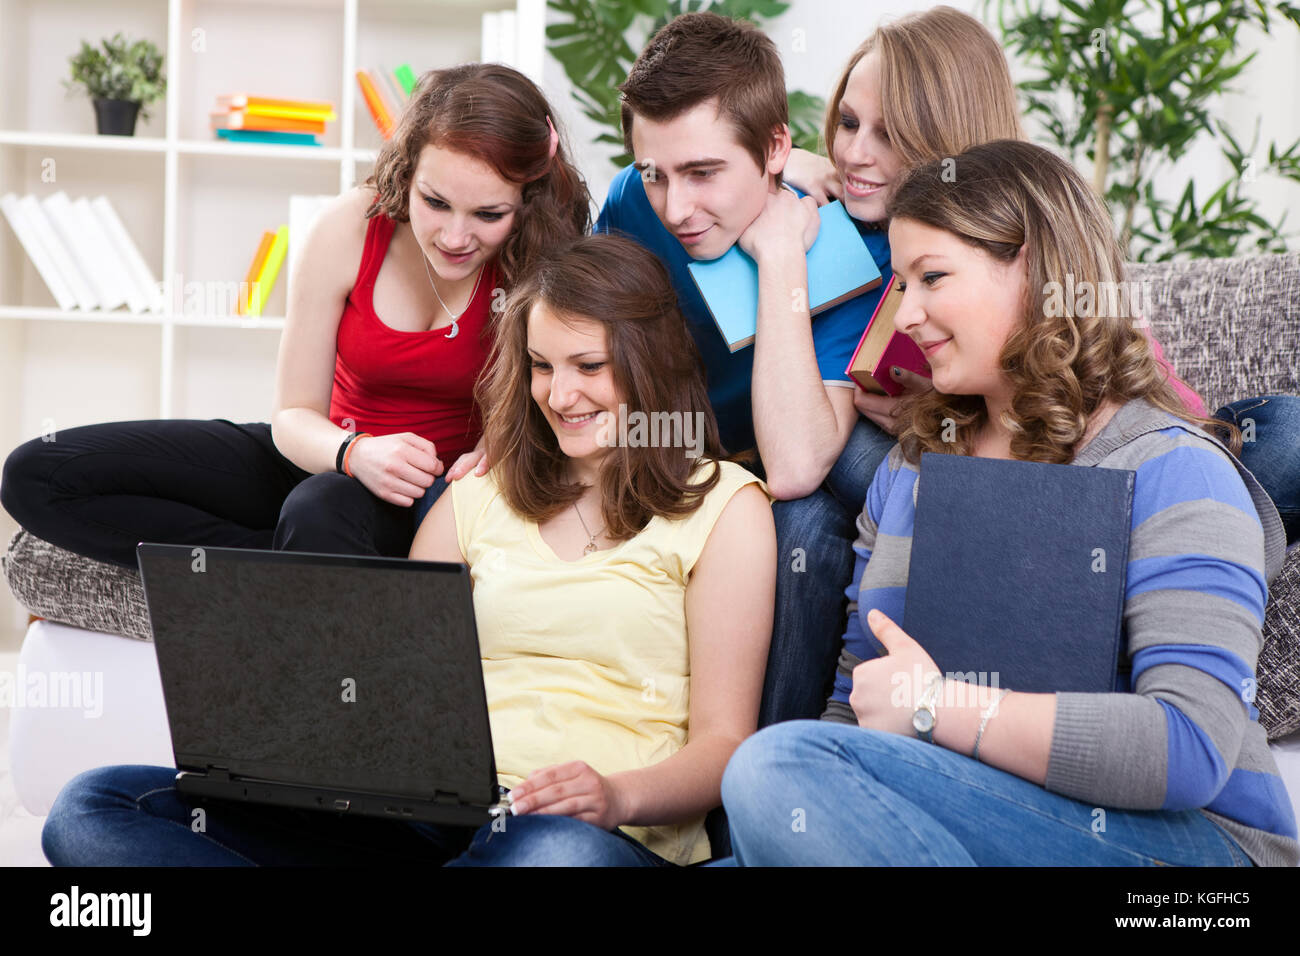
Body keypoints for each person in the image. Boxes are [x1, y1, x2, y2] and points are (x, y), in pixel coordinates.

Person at [40, 234, 777, 867]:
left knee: (556, 856)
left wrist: (615, 795)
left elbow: (723, 745)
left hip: (579, 832)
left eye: (589, 366)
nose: (559, 394)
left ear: (650, 366)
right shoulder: (476, 499)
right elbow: (393, 692)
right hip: (416, 821)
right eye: (541, 366)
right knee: (91, 810)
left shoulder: (724, 507)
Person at [719, 140, 1298, 867]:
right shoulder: (913, 470)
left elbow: (1186, 750)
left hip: (1192, 867)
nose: (906, 317)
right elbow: (857, 706)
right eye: (902, 285)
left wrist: (937, 709)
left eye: (931, 278)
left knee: (775, 769)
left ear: (1035, 272)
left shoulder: (1176, 468)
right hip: (969, 822)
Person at [1, 63, 590, 568]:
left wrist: (504, 444)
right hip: (328, 455)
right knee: (37, 474)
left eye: (487, 214)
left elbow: (568, 406)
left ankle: (300, 555)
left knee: (320, 511)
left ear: (524, 201)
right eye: (435, 202)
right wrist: (352, 454)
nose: (456, 235)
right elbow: (292, 415)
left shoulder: (541, 261)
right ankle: (278, 563)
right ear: (408, 172)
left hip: (437, 500)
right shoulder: (348, 229)